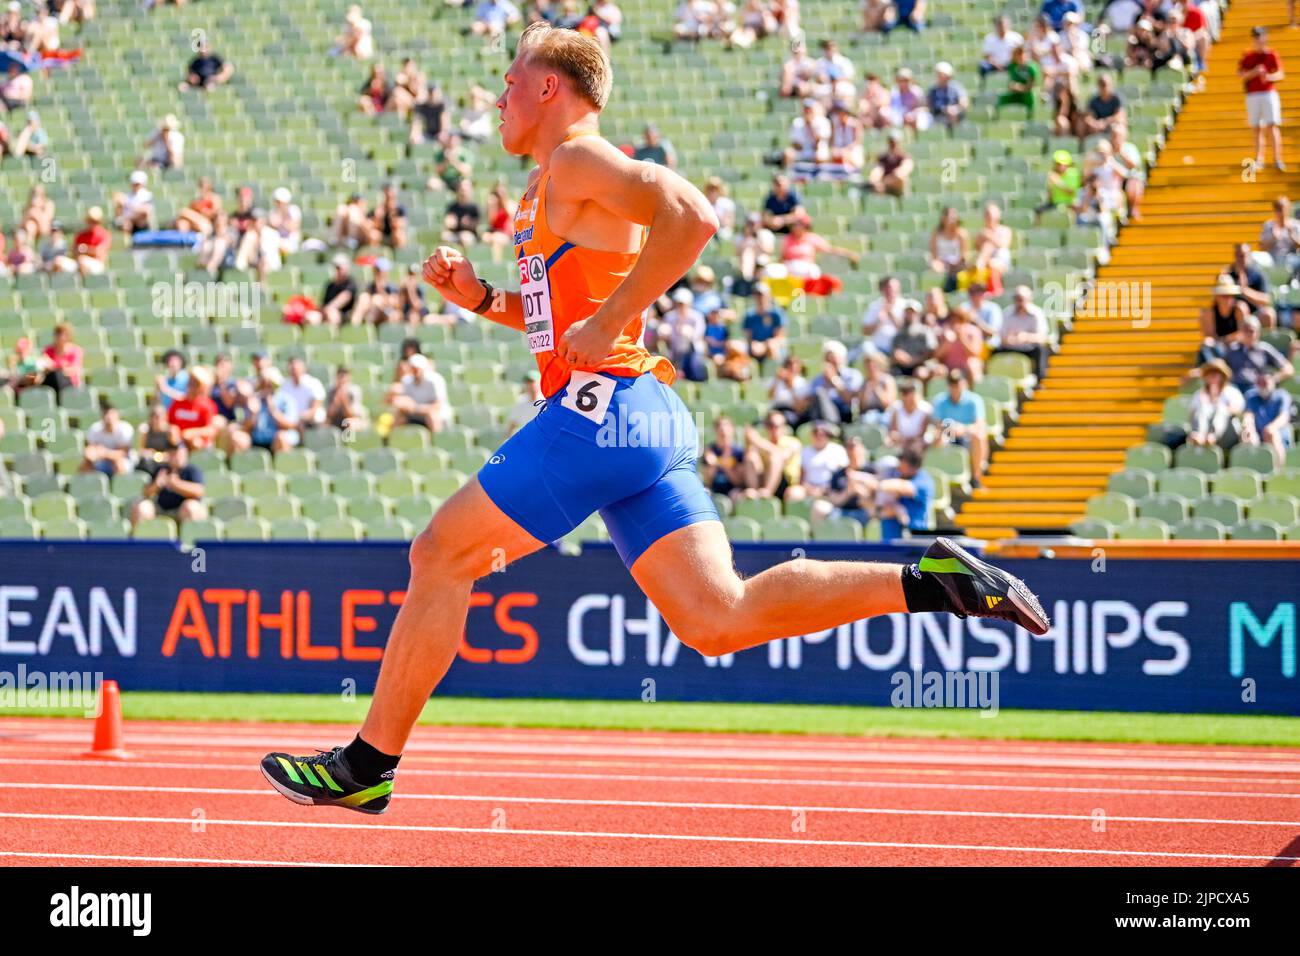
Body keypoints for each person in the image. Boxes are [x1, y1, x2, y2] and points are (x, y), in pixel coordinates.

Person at [260, 21, 1049, 814]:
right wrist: (482, 300)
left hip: (602, 410)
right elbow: (560, 318)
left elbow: (693, 216)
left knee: (439, 555)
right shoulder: (543, 189)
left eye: (509, 83)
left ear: (547, 89)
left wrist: (612, 322)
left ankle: (368, 763)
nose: (498, 99)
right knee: (718, 617)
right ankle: (930, 581)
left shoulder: (577, 158)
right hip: (644, 419)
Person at [130, 441, 208, 530]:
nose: (174, 455)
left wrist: (176, 484)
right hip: (161, 509)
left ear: (185, 453)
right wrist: (156, 485)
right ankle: (141, 542)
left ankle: (189, 542)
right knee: (142, 507)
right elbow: (146, 494)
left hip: (181, 510)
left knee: (190, 507)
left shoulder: (192, 470)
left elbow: (199, 491)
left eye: (176, 452)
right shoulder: (161, 469)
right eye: (171, 452)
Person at [1239, 25, 1285, 171]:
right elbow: (1241, 75)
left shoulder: (1272, 55)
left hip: (1268, 93)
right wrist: (1255, 72)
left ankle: (1277, 158)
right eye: (1255, 37)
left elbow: (1280, 74)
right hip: (1253, 94)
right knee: (1256, 127)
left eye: (1260, 36)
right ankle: (1259, 159)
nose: (1258, 40)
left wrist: (1268, 76)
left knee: (1272, 125)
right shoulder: (1248, 56)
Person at [931, 367, 988, 485]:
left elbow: (979, 425)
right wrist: (949, 429)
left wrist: (962, 429)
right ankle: (941, 481)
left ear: (965, 383)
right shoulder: (939, 400)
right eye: (952, 383)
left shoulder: (974, 400)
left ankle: (976, 478)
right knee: (937, 440)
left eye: (958, 383)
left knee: (979, 436)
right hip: (947, 434)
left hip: (967, 435)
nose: (955, 387)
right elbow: (937, 425)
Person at [1187, 358, 1244, 449]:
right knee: (1203, 407)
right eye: (1210, 373)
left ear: (1222, 376)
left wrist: (1218, 404)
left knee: (1221, 409)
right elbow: (1192, 416)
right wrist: (1205, 402)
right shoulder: (1199, 394)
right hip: (1204, 432)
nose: (1213, 375)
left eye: (1216, 373)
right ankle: (1200, 436)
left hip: (1228, 434)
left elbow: (1238, 410)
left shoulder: (1232, 392)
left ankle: (1212, 436)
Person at [1242, 371, 1292, 462]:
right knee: (1248, 435)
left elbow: (1284, 417)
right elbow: (1248, 416)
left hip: (1278, 436)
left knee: (1271, 433)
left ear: (1273, 381)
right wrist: (1248, 428)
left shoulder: (1282, 395)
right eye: (1259, 382)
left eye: (1265, 381)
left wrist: (1271, 428)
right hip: (1258, 436)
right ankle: (1256, 468)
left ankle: (1279, 470)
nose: (1262, 385)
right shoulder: (1251, 396)